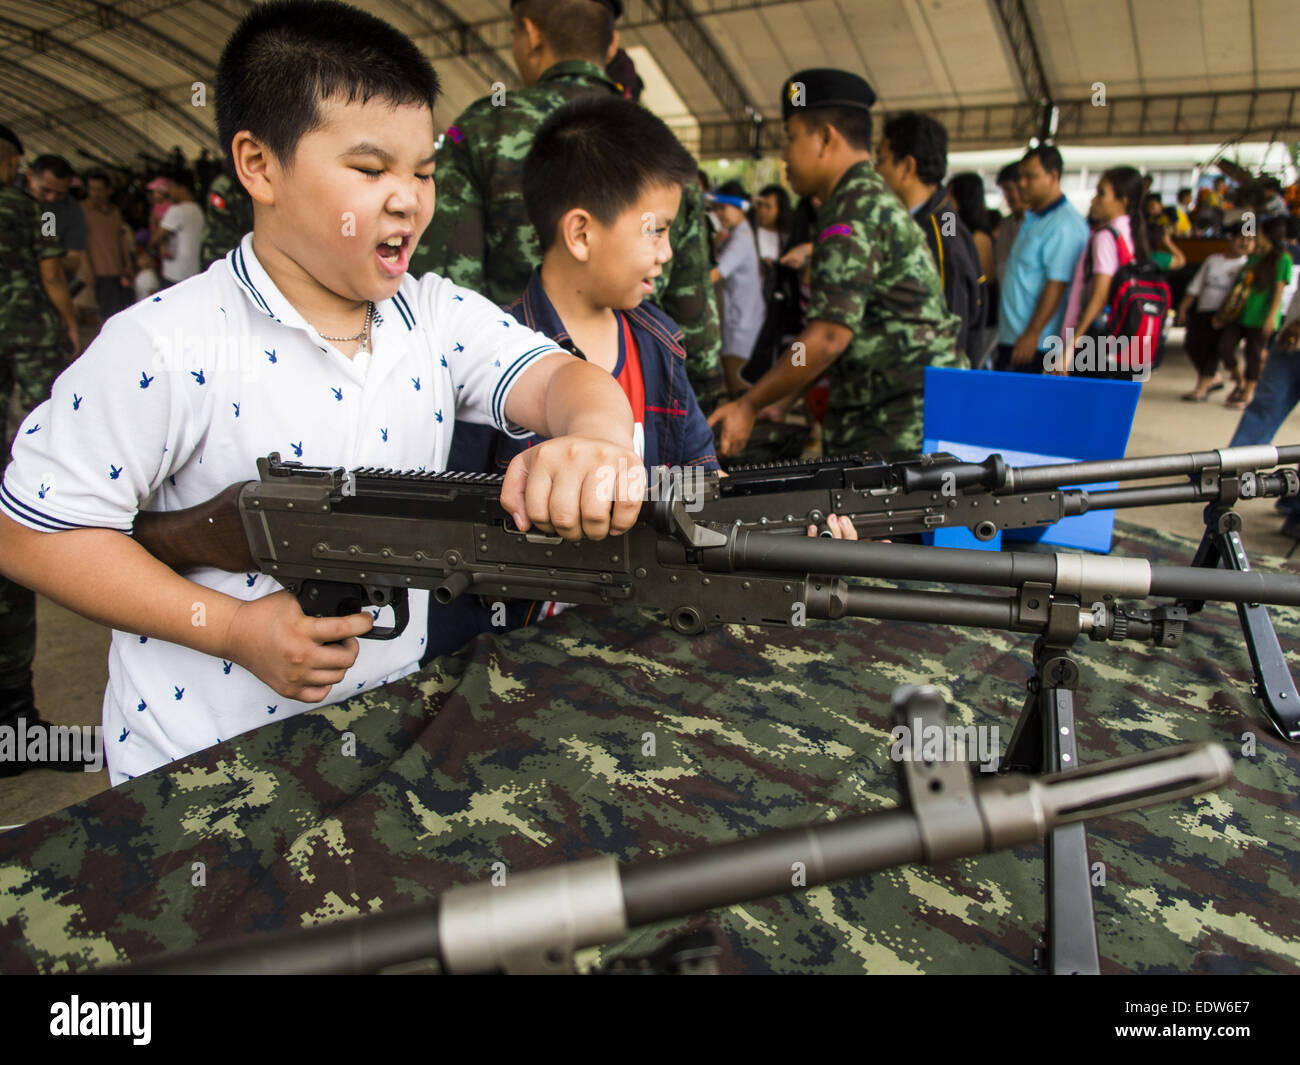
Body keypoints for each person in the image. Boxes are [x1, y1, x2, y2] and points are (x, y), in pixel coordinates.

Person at [0, 0, 645, 786]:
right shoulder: (165, 343)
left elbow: (565, 379)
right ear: (259, 164)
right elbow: (34, 531)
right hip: (199, 778)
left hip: (385, 744)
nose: (408, 198)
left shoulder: (435, 315)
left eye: (425, 171)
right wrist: (232, 627)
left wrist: (596, 441)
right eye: (371, 170)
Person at [425, 96, 724, 654]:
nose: (666, 254)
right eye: (654, 231)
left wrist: (783, 531)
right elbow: (455, 534)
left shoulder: (660, 348)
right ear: (581, 234)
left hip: (639, 640)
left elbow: (701, 483)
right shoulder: (488, 360)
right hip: (512, 653)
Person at [409, 0, 722, 410]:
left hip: (504, 400)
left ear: (531, 34)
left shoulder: (483, 129)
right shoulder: (658, 150)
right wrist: (700, 399)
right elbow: (692, 306)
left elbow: (445, 288)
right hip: (637, 394)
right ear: (612, 47)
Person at [708, 68, 961, 457]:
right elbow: (847, 329)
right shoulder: (862, 198)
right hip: (901, 414)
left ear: (826, 138)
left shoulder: (852, 210)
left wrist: (749, 403)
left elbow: (827, 337)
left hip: (895, 425)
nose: (785, 155)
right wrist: (787, 394)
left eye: (791, 139)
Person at [0, 124, 83, 776]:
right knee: (20, 517)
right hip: (25, 353)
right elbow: (53, 271)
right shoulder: (36, 213)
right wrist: (72, 328)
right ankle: (17, 729)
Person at [873, 112, 986, 366]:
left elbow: (949, 334)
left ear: (907, 167)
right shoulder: (921, 224)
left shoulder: (941, 237)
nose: (876, 170)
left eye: (881, 160)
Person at [995, 145, 1089, 373]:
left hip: (1035, 346)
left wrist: (1033, 333)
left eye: (1031, 176)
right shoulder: (1034, 218)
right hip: (1013, 337)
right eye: (1021, 177)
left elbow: (1056, 284)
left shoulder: (1064, 225)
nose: (1022, 183)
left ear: (1053, 176)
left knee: (1023, 407)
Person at [1062, 166, 1149, 349]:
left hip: (1097, 338)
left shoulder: (1106, 237)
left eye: (1101, 194)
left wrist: (1072, 344)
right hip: (1125, 337)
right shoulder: (1132, 233)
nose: (1094, 200)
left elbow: (1100, 296)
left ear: (1123, 201)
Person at [1215, 215, 1293, 410]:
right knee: (1225, 346)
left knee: (1254, 355)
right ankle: (1240, 381)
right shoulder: (1255, 257)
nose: (1255, 236)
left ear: (1268, 235)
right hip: (1240, 314)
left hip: (1261, 316)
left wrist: (1271, 317)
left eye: (1258, 233)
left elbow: (1279, 291)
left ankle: (1248, 392)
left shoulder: (1283, 259)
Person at [1175, 221, 1253, 401]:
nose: (1245, 243)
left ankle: (1202, 387)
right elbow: (1195, 287)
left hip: (1226, 316)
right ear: (1231, 239)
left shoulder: (1248, 266)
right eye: (1241, 238)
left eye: (1250, 240)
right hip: (1204, 310)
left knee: (1213, 348)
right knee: (1192, 345)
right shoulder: (1214, 260)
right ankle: (1213, 378)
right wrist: (1183, 307)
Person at [709, 180, 766, 393]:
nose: (719, 213)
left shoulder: (741, 238)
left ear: (738, 207)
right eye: (716, 208)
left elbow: (716, 273)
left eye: (722, 208)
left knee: (739, 387)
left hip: (742, 326)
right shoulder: (737, 234)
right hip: (739, 321)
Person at [26, 154, 87, 289]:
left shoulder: (69, 211)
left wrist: (48, 262)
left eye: (60, 193)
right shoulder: (8, 195)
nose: (51, 198)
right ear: (30, 175)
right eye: (45, 190)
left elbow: (74, 259)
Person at [82, 171, 135, 322]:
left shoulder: (115, 212)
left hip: (117, 271)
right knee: (105, 314)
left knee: (119, 311)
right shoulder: (83, 211)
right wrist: (87, 269)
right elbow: (81, 243)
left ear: (108, 190)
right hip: (98, 271)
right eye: (92, 189)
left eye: (99, 189)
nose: (95, 193)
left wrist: (127, 264)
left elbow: (121, 239)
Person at [149, 170, 204, 285]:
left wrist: (153, 219)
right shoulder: (198, 210)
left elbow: (156, 238)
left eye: (171, 187)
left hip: (175, 274)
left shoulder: (177, 210)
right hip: (193, 272)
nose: (169, 191)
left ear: (182, 188)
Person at [199, 167, 254, 268]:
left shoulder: (253, 183)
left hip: (241, 251)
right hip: (218, 250)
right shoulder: (223, 185)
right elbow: (220, 217)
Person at [993, 161, 1024, 286]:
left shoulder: (1039, 225)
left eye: (1009, 190)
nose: (1006, 197)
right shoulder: (1006, 223)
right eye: (1004, 191)